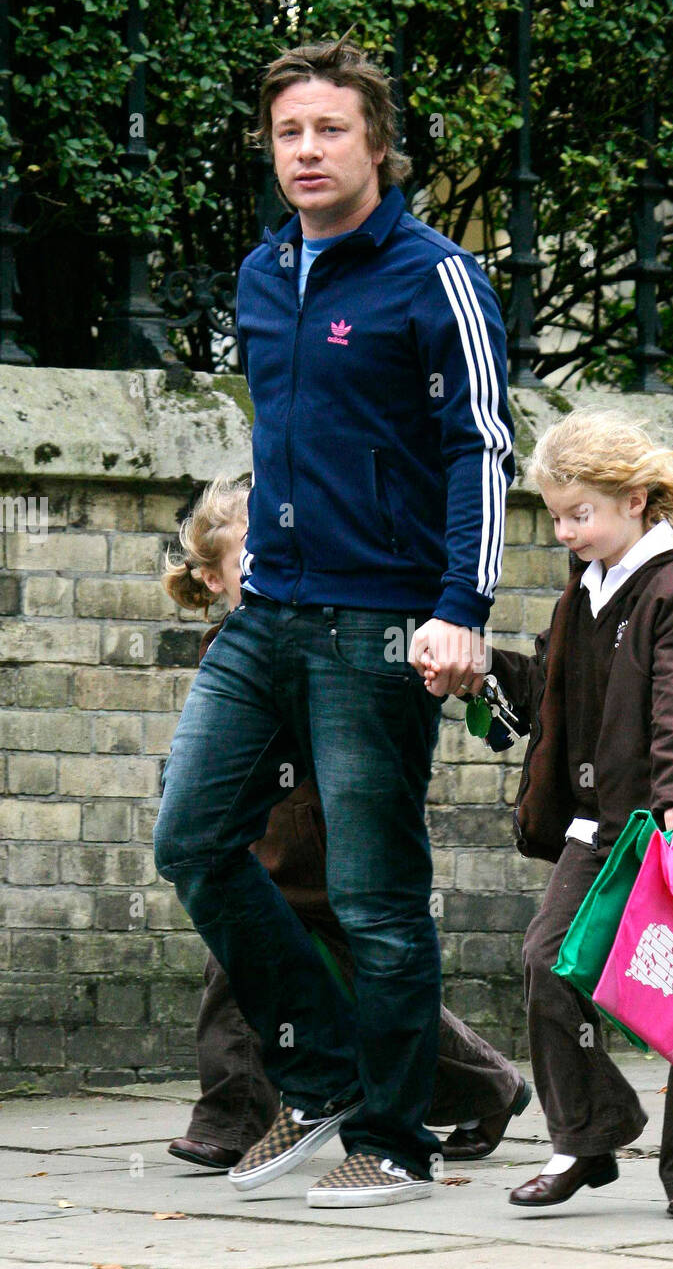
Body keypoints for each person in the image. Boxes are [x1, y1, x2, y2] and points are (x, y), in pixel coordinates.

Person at [153, 34, 515, 1208]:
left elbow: (482, 448)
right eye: (287, 133)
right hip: (269, 611)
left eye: (330, 130)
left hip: (380, 623)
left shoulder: (435, 275)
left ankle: (396, 1140)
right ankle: (318, 1082)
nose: (306, 151)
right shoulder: (265, 276)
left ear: (378, 143)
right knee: (194, 838)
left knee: (372, 896)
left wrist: (460, 609)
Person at [423, 409, 673, 1218]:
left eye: (581, 513)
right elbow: (552, 692)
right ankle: (589, 1130)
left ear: (637, 499)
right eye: (555, 514)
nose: (566, 530)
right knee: (551, 962)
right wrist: (482, 681)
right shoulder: (584, 591)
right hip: (603, 831)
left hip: (671, 825)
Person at [159, 478, 530, 1177]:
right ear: (213, 579)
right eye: (250, 564)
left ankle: (486, 1085)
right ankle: (231, 1117)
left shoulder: (327, 641)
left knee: (363, 977)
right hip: (261, 849)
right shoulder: (232, 654)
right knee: (244, 966)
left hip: (323, 849)